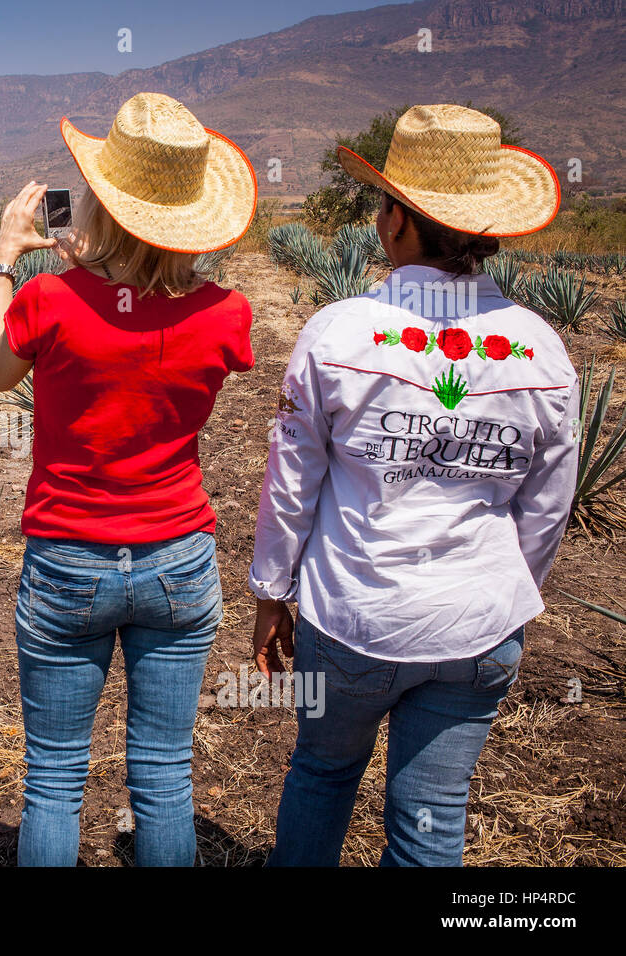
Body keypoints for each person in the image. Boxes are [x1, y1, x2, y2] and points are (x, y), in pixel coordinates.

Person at [249, 104, 575, 866]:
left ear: (395, 221)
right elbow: (547, 505)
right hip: (480, 628)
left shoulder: (337, 331)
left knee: (322, 774)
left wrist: (271, 592)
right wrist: (499, 591)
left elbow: (291, 481)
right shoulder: (543, 348)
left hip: (353, 618)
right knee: (431, 819)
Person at [0, 92, 257, 866]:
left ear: (97, 202)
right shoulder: (228, 313)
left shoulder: (48, 300)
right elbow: (144, 333)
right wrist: (111, 270)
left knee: (55, 778)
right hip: (176, 559)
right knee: (165, 776)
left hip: (69, 559)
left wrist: (7, 258)